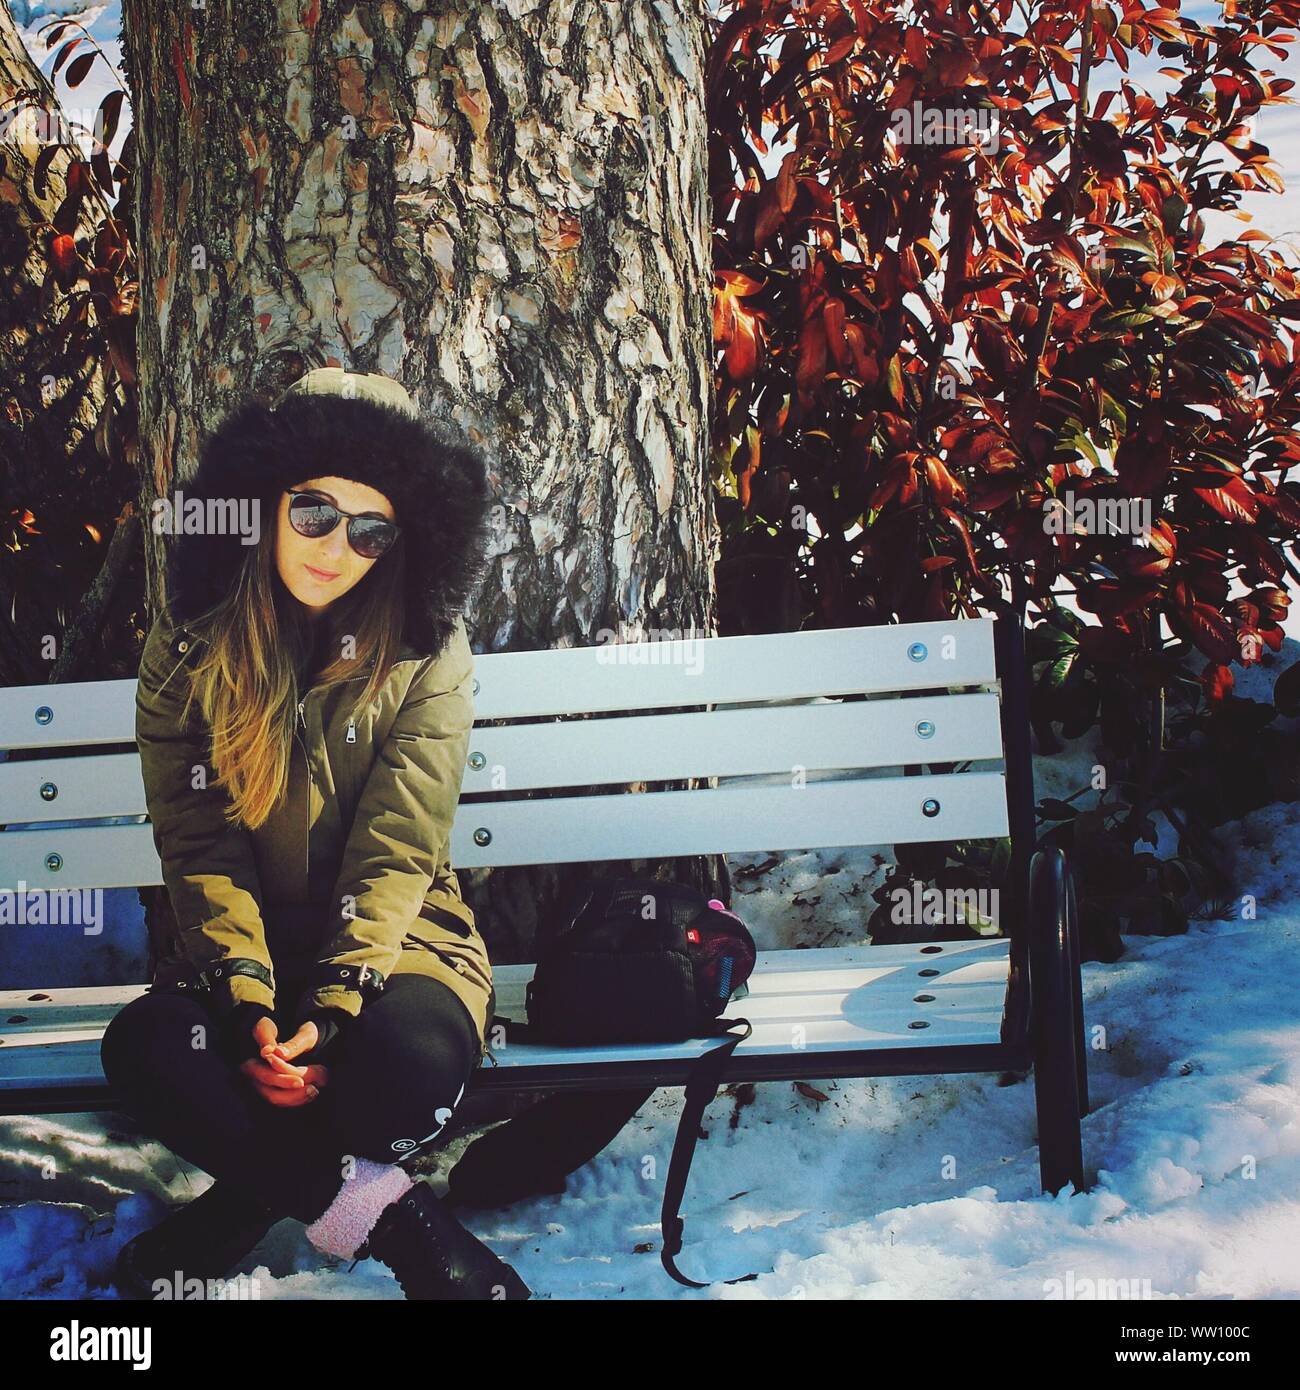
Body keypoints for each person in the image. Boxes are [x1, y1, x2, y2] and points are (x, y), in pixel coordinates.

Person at [100, 367, 529, 1300]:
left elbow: (399, 849)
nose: (338, 548)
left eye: (372, 529)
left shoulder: (426, 650)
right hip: (235, 948)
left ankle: (242, 1204)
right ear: (264, 502)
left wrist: (332, 1008)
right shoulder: (189, 643)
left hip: (398, 945)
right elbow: (200, 846)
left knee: (406, 1070)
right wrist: (252, 1003)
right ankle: (406, 1229)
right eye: (315, 513)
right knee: (148, 1052)